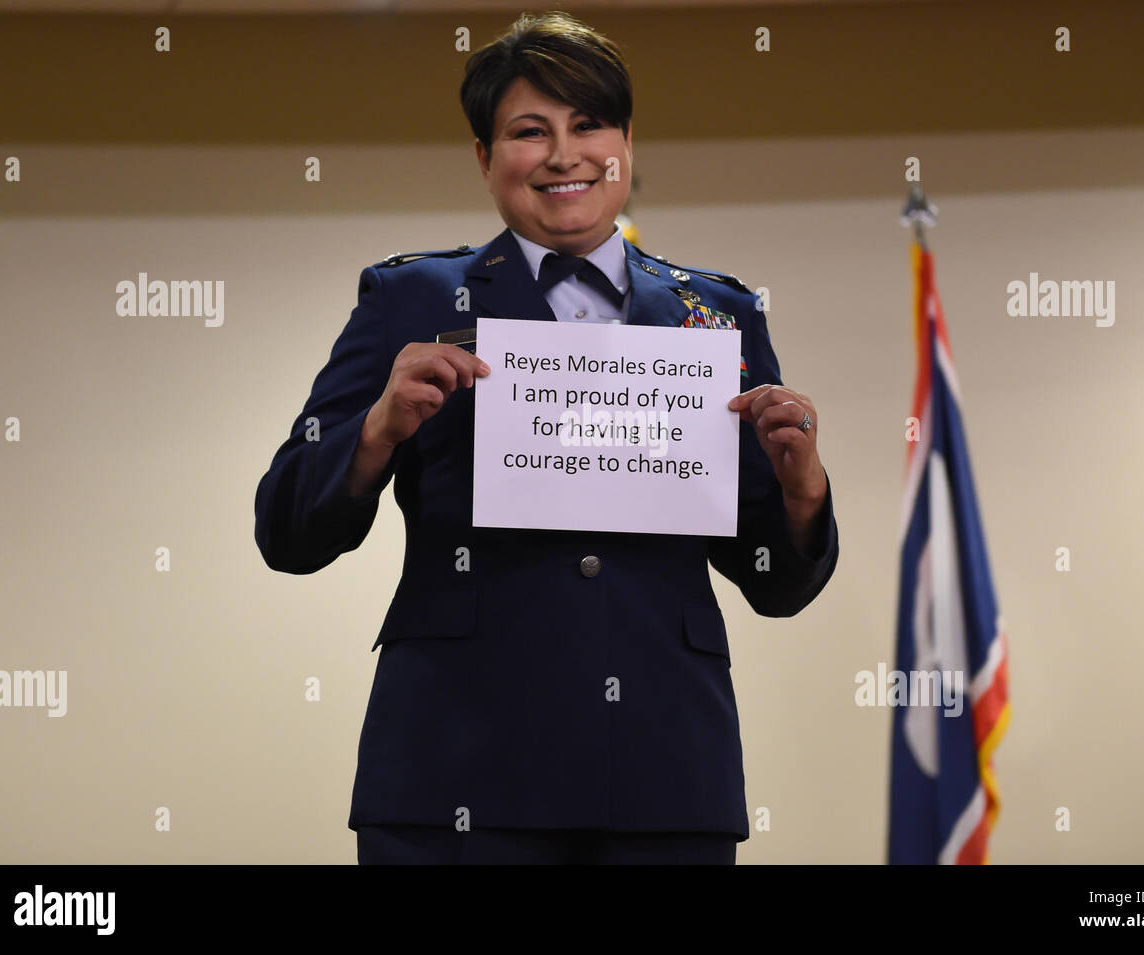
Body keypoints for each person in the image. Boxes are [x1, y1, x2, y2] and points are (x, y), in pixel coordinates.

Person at [253, 11, 839, 865]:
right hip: (454, 770)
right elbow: (287, 532)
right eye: (531, 131)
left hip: (663, 776)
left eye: (589, 125)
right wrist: (377, 430)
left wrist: (802, 488)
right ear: (487, 159)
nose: (564, 154)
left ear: (626, 144)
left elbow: (776, 584)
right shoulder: (410, 300)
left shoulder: (720, 315)